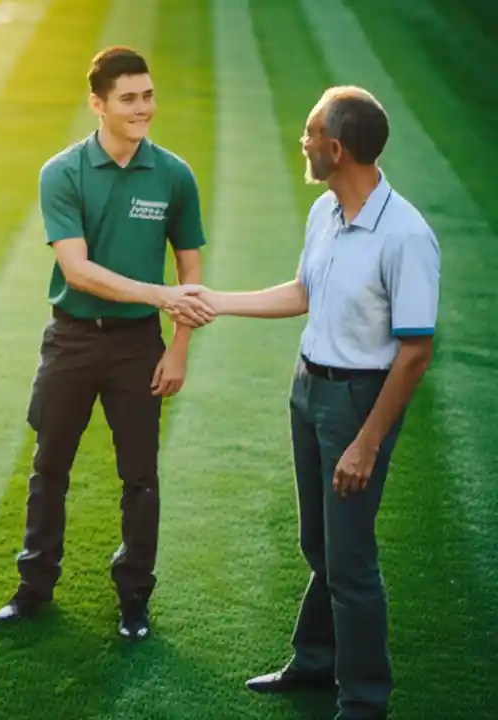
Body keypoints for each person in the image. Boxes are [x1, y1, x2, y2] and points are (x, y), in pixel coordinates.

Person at [174, 86, 438, 720]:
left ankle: (365, 701)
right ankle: (318, 662)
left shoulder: (406, 236)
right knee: (318, 545)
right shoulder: (326, 212)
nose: (303, 140)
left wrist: (367, 442)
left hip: (356, 402)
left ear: (337, 148)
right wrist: (217, 300)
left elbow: (414, 353)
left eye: (311, 131)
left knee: (350, 561)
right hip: (308, 388)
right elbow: (302, 292)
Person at [0, 46, 213, 643]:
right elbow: (80, 270)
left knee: (141, 477)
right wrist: (157, 293)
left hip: (138, 346)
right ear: (98, 104)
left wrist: (179, 347)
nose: (143, 109)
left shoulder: (174, 175)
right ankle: (34, 590)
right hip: (71, 341)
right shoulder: (61, 173)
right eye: (129, 99)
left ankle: (134, 599)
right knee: (49, 470)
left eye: (148, 96)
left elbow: (190, 274)